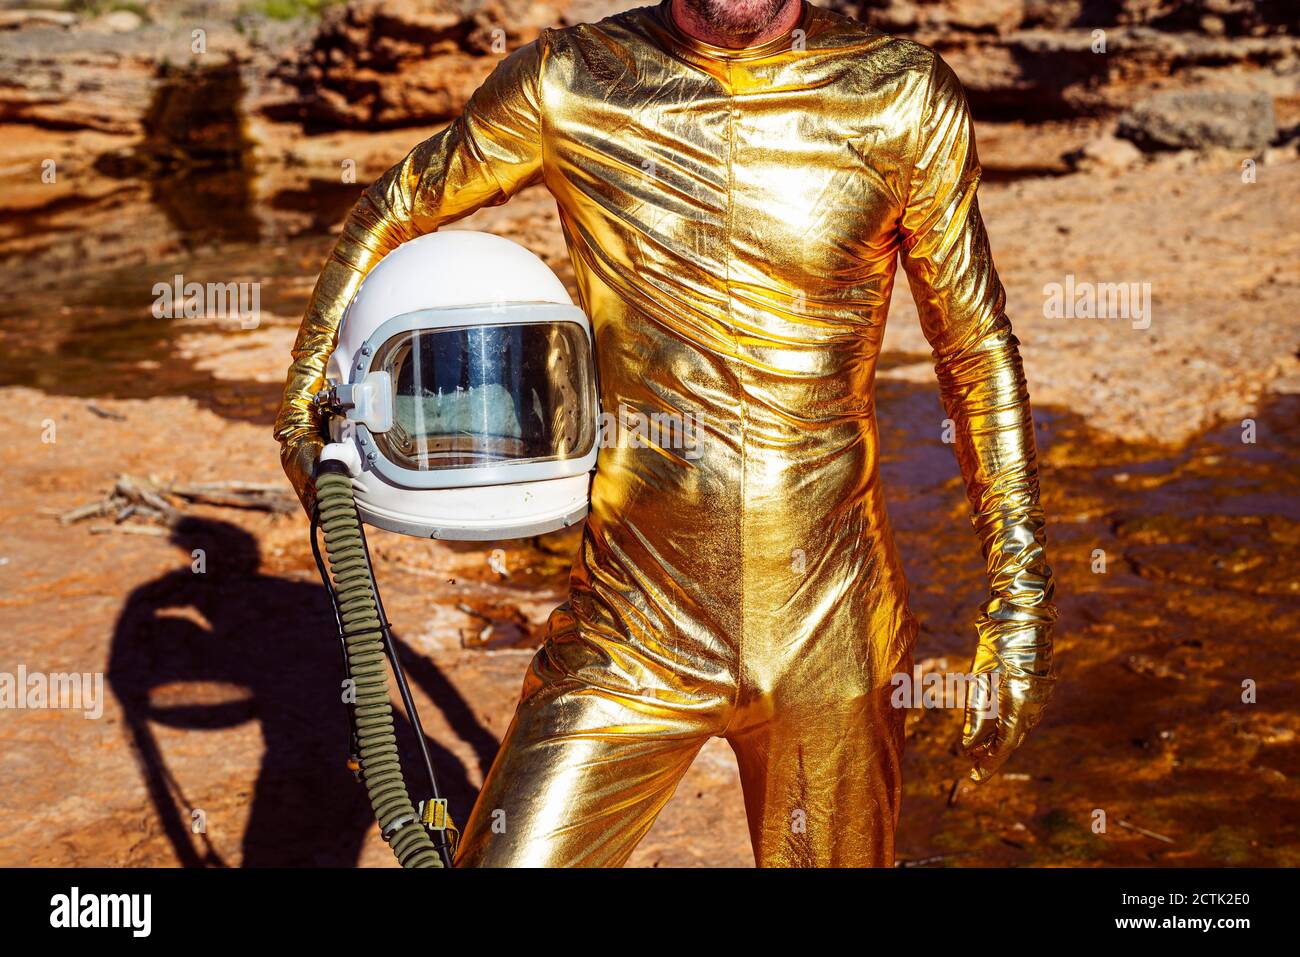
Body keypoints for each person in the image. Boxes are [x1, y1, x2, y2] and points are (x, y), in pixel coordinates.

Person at [275, 0, 1058, 867]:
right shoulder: (570, 80)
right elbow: (395, 206)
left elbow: (973, 350)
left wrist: (1019, 603)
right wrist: (310, 395)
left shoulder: (902, 95)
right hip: (631, 621)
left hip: (834, 630)